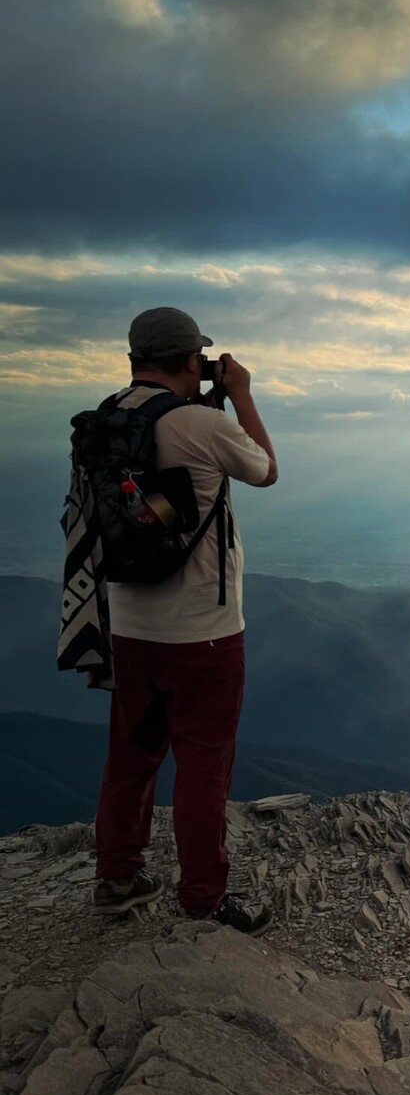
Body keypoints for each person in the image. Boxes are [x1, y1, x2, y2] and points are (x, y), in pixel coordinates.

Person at [90, 307, 278, 934]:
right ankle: (202, 896)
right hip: (205, 629)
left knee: (130, 756)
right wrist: (241, 395)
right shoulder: (202, 422)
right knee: (202, 762)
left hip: (129, 621)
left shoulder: (108, 419)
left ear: (136, 359)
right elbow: (264, 469)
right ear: (192, 360)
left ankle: (118, 875)